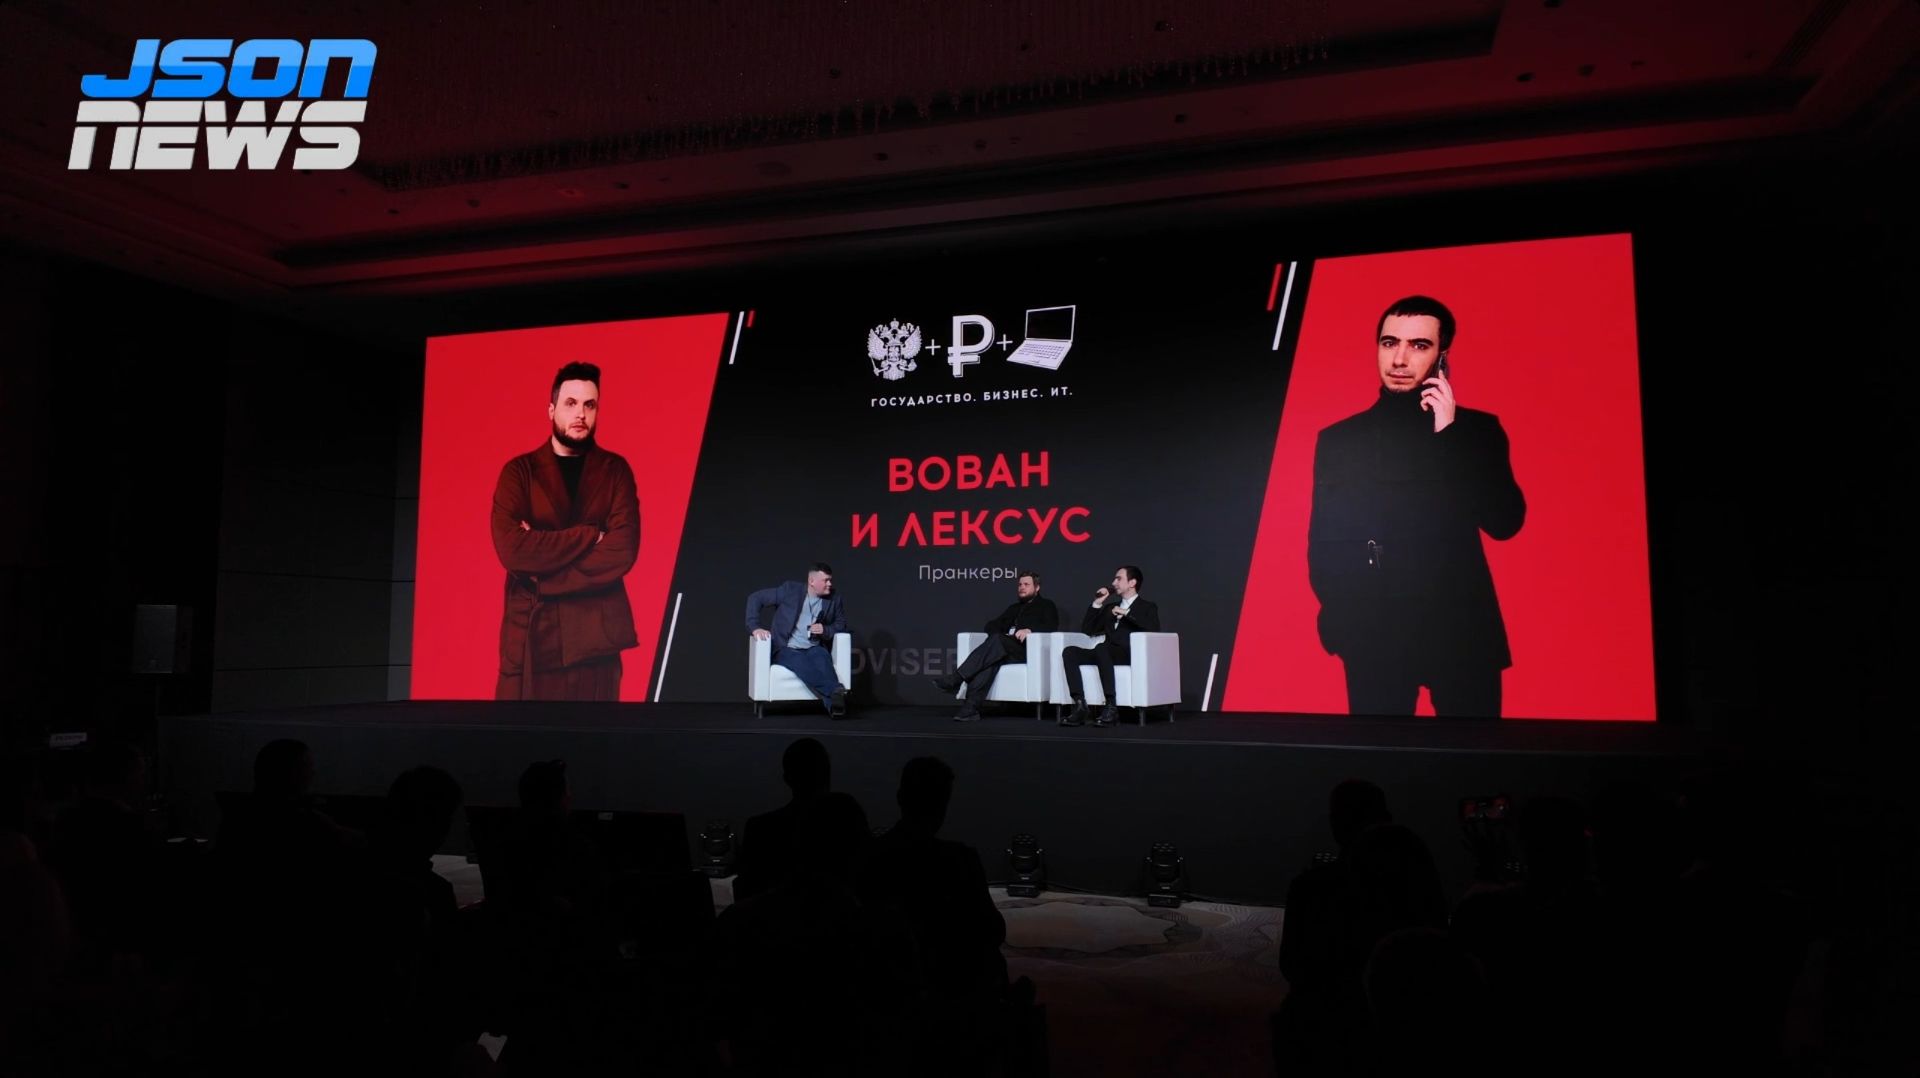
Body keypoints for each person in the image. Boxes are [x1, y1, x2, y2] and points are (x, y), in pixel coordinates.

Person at [1307, 295, 1526, 718]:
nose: (1399, 359)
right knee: (1379, 751)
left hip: (1462, 632)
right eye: (1389, 343)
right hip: (1376, 635)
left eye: (1419, 345)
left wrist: (1450, 438)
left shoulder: (1476, 431)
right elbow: (1325, 541)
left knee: (1474, 752)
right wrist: (1342, 621)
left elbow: (1504, 522)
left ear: (1442, 356)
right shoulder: (1341, 439)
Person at [490, 361, 641, 701]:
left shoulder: (615, 470)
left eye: (590, 405)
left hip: (594, 641)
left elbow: (622, 551)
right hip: (530, 637)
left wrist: (543, 579)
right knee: (519, 732)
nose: (580, 414)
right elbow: (513, 549)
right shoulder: (519, 472)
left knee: (596, 733)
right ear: (551, 409)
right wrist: (589, 535)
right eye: (571, 403)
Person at [933, 569, 1059, 721]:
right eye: (1020, 584)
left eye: (1026, 584)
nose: (1022, 587)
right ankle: (970, 709)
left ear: (1037, 587)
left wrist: (1030, 630)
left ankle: (957, 678)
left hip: (1028, 652)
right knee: (990, 662)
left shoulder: (1046, 605)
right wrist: (1005, 634)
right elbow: (990, 626)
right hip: (1006, 649)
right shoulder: (1014, 608)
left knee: (997, 641)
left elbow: (1051, 626)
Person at [1059, 565, 1160, 727]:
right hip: (1104, 652)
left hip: (1127, 653)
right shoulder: (1110, 608)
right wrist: (1097, 603)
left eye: (1118, 579)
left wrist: (1126, 613)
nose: (1113, 583)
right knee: (1070, 651)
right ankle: (1080, 705)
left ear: (1132, 582)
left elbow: (1153, 628)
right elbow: (1088, 630)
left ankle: (1111, 706)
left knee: (1101, 648)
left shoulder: (1147, 606)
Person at [733, 738, 831, 903]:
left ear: (787, 779)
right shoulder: (845, 824)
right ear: (826, 774)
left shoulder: (761, 829)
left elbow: (746, 891)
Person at [745, 563, 850, 717]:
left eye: (830, 580)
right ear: (812, 581)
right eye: (826, 580)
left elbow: (841, 624)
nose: (830, 584)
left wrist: (825, 629)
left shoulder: (834, 599)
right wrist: (755, 627)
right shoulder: (790, 590)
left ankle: (834, 708)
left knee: (823, 659)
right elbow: (756, 598)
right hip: (786, 647)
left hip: (814, 646)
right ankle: (835, 690)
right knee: (800, 661)